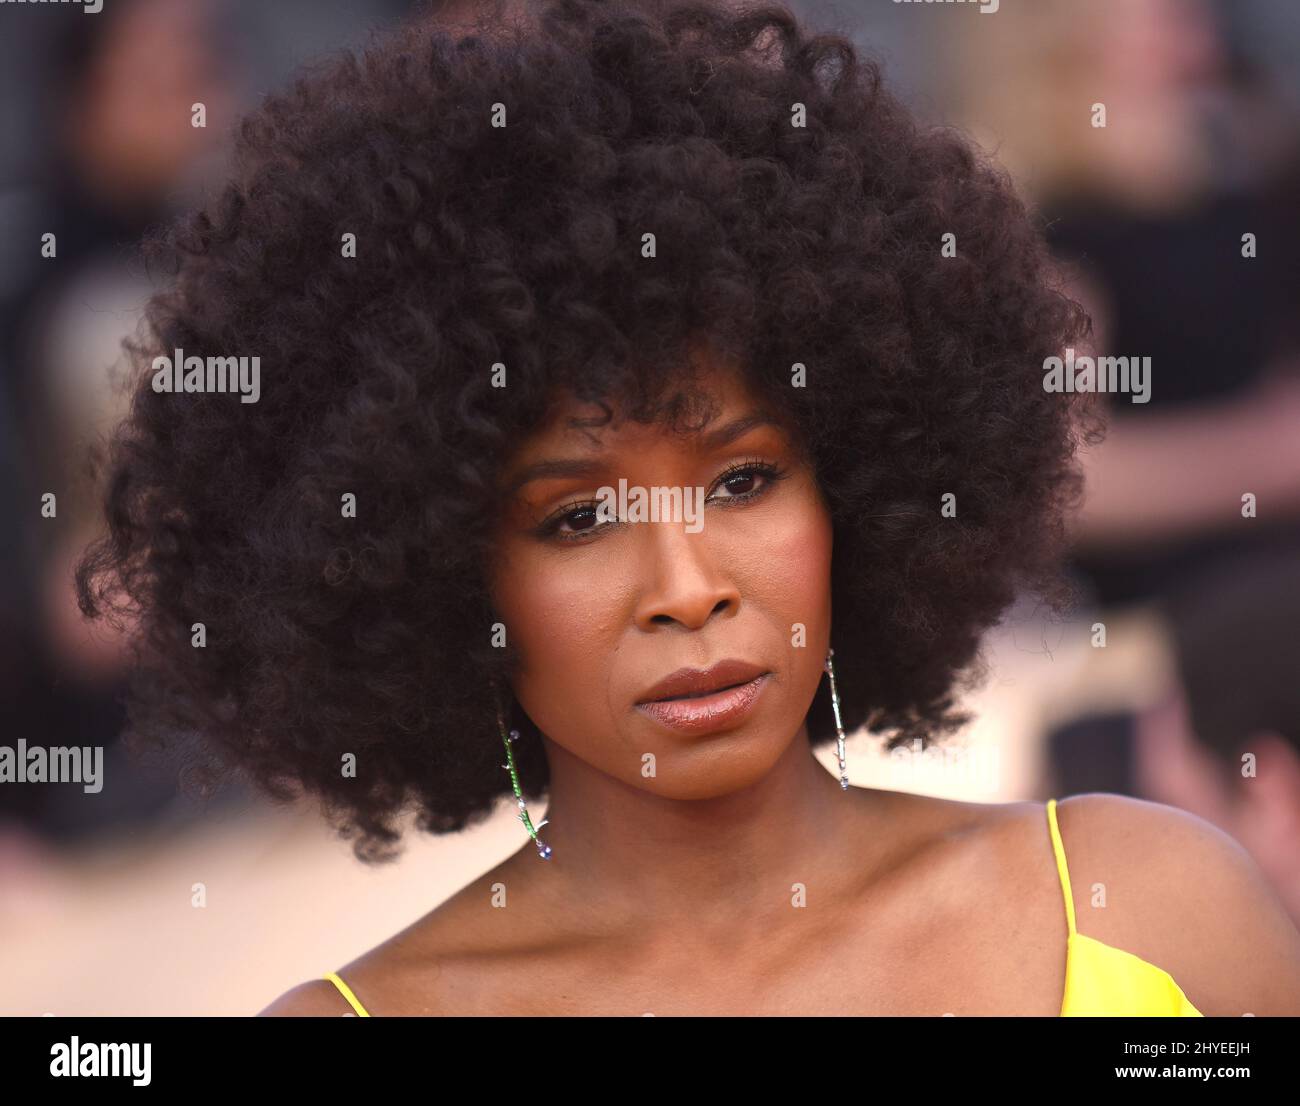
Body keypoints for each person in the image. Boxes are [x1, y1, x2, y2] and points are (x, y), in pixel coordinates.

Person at [73, 0, 1300, 1016]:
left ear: (857, 493)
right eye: (575, 519)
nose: (686, 585)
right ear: (437, 576)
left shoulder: (1146, 909)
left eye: (744, 479)